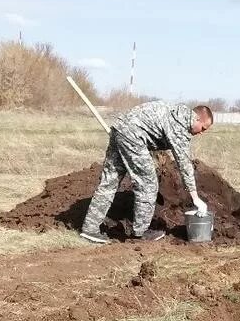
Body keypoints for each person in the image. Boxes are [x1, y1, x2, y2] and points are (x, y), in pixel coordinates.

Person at [80, 101, 214, 244]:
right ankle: (140, 232)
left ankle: (90, 229)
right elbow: (184, 165)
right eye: (203, 128)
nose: (200, 133)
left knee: (109, 181)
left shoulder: (175, 111)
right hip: (133, 136)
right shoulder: (180, 125)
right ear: (197, 118)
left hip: (120, 128)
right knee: (148, 184)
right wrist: (195, 198)